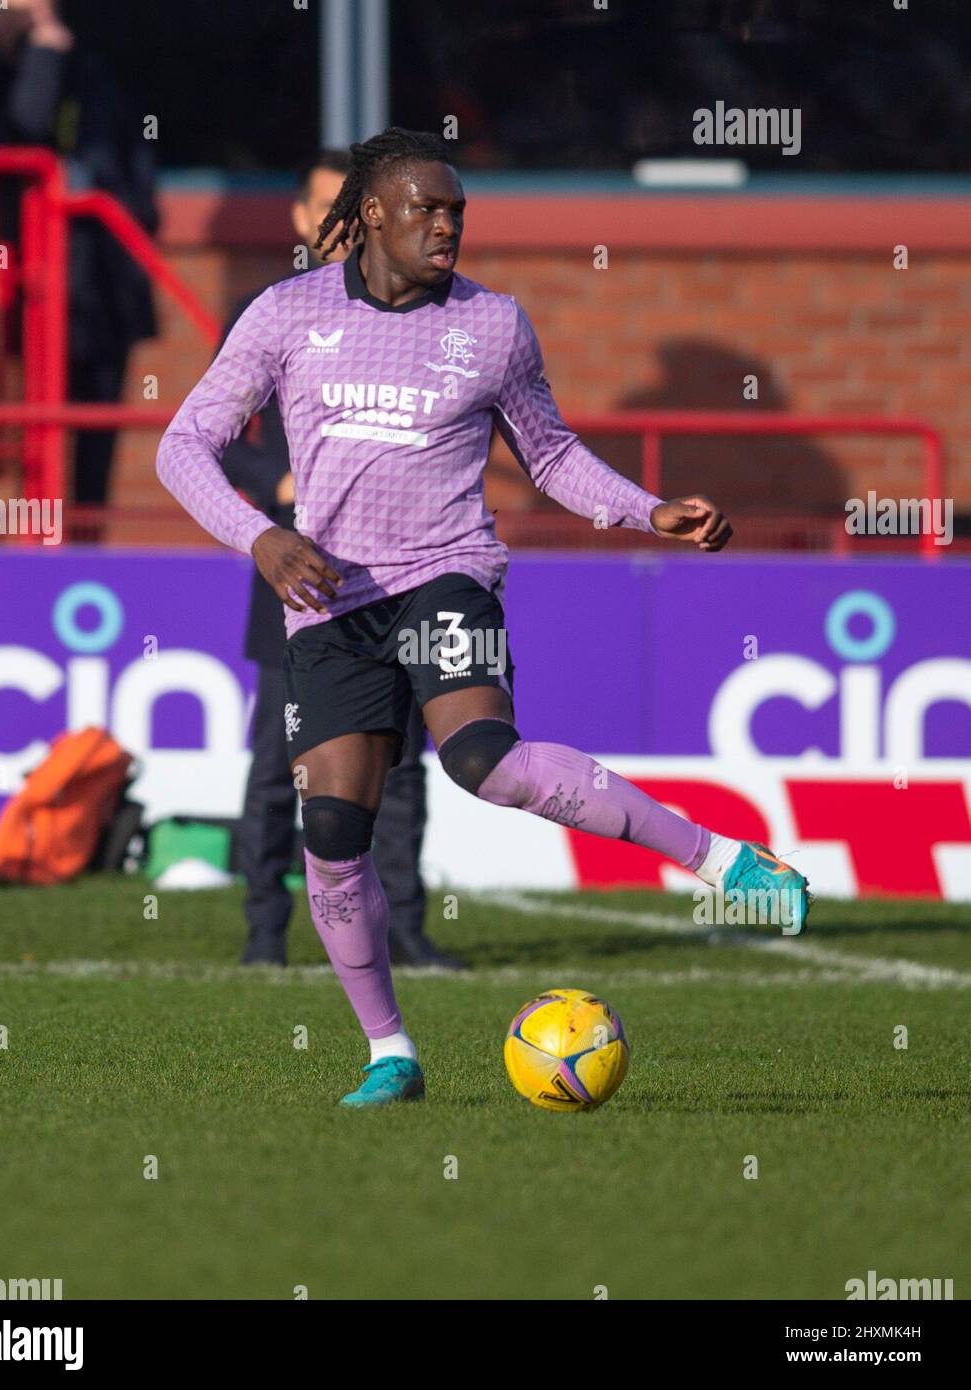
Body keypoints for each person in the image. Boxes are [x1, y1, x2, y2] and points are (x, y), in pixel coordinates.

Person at [157, 127, 810, 1108]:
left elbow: (548, 456)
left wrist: (648, 508)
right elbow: (184, 445)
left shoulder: (494, 324)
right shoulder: (285, 315)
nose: (446, 224)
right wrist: (259, 538)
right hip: (330, 599)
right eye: (426, 207)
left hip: (445, 576)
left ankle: (719, 859)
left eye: (456, 209)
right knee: (331, 829)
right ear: (371, 214)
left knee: (483, 764)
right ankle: (390, 1050)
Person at [218, 149, 457, 969]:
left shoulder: (429, 314)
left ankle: (408, 930)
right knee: (278, 766)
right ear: (299, 217)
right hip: (300, 573)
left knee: (401, 763)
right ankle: (262, 935)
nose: (344, 225)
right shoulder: (272, 311)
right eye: (328, 208)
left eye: (354, 208)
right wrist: (272, 485)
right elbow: (206, 442)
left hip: (404, 577)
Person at [0, 0, 158, 535]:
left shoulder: (93, 69)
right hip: (35, 284)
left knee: (96, 435)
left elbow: (132, 182)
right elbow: (21, 125)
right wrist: (43, 52)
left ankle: (86, 548)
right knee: (33, 441)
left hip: (102, 287)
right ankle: (36, 554)